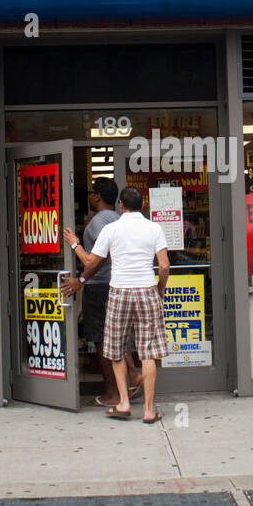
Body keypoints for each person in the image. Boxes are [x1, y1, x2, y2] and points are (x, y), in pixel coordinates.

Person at [60, 186, 169, 424]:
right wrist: (160, 288)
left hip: (119, 291)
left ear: (121, 205)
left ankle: (123, 402)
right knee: (148, 353)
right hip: (146, 290)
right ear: (142, 205)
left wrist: (75, 243)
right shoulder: (154, 228)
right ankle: (149, 411)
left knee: (116, 349)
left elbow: (90, 261)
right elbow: (163, 265)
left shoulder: (111, 229)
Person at [61, 177, 141, 408]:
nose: (89, 197)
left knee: (101, 340)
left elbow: (97, 259)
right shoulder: (117, 218)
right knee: (113, 336)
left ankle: (112, 393)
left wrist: (80, 273)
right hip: (114, 284)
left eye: (90, 193)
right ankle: (132, 376)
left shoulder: (97, 222)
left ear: (97, 196)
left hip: (98, 287)